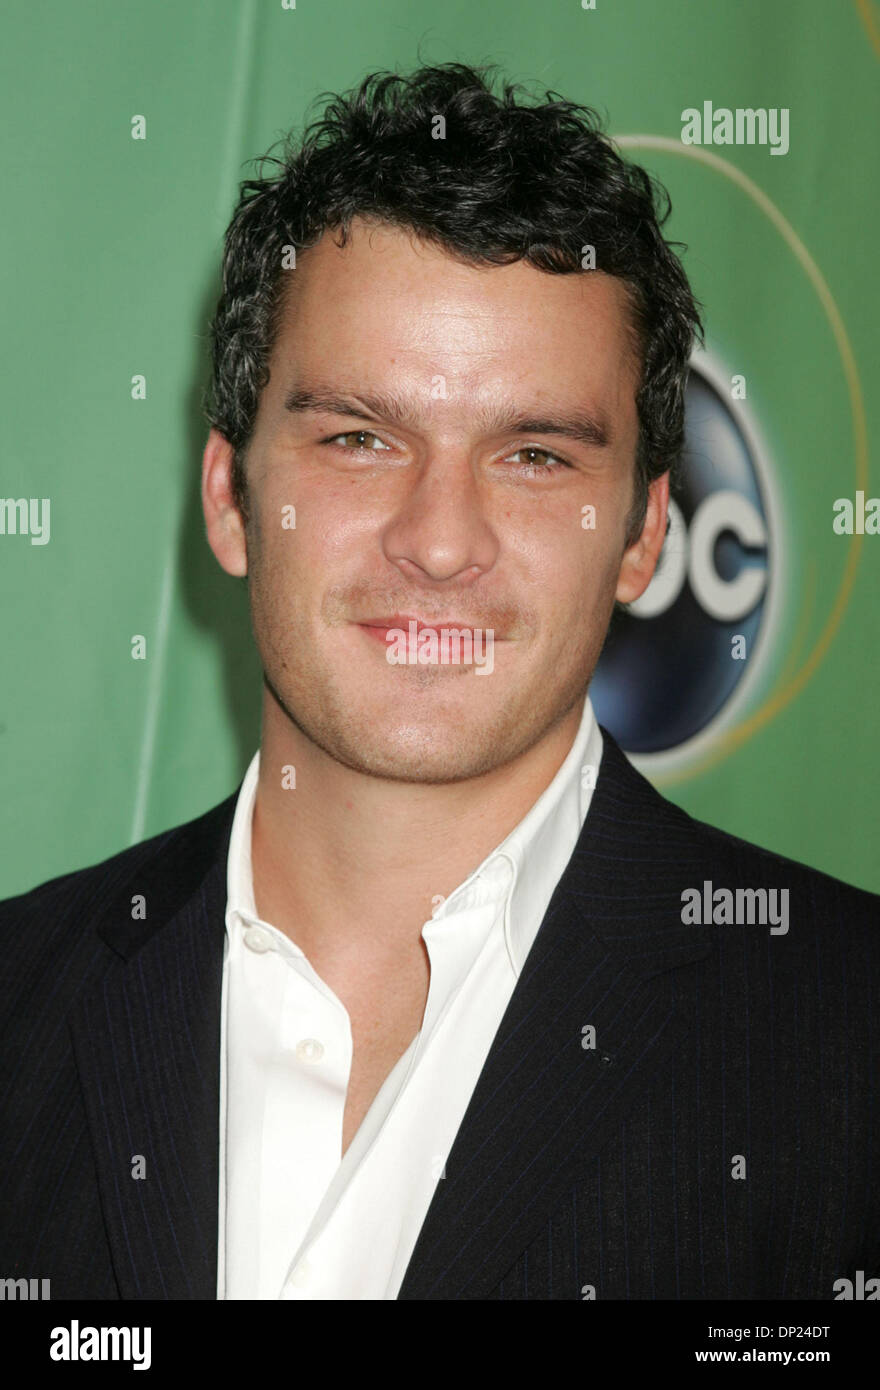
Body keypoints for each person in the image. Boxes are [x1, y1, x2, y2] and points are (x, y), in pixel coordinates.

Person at [1, 62, 877, 1302]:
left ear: (641, 537)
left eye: (531, 455)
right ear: (230, 497)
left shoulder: (848, 1043)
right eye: (360, 437)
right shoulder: (18, 1004)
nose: (441, 538)